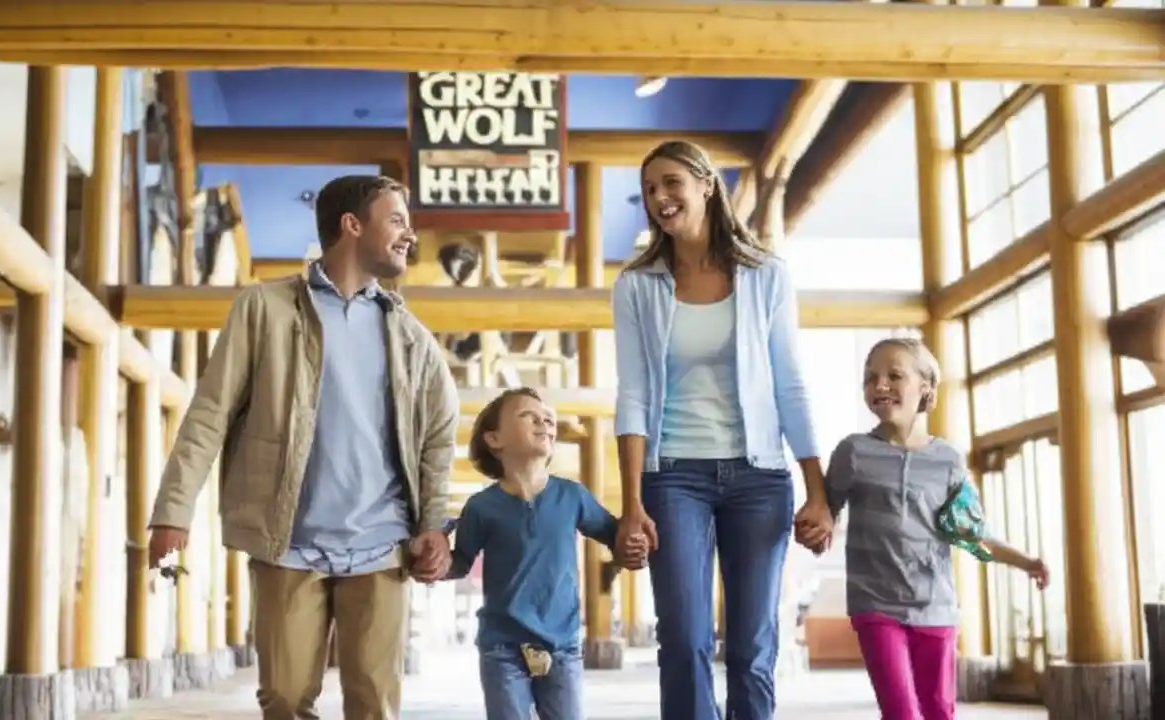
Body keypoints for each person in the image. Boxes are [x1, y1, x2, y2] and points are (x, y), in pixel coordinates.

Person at [146, 174, 460, 720]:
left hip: (381, 545)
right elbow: (209, 414)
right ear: (352, 225)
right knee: (286, 699)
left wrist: (432, 522)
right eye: (397, 220)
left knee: (374, 703)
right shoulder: (265, 308)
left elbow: (438, 436)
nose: (410, 234)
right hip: (287, 540)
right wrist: (174, 509)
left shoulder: (411, 336)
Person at [612, 140, 834, 720]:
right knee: (684, 640)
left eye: (670, 183)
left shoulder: (767, 276)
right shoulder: (638, 286)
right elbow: (632, 394)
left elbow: (791, 384)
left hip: (759, 477)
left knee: (753, 645)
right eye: (649, 191)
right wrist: (632, 501)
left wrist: (819, 491)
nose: (660, 198)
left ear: (706, 183)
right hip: (674, 476)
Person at [825, 337, 1049, 720]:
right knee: (902, 713)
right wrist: (813, 530)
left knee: (939, 712)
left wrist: (1026, 561)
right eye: (870, 378)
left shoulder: (948, 459)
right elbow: (824, 514)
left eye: (894, 375)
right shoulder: (853, 452)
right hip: (875, 605)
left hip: (937, 607)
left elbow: (971, 533)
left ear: (925, 388)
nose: (879, 384)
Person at [445, 387, 649, 720]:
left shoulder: (573, 496)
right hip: (502, 648)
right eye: (528, 416)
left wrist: (633, 547)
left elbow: (617, 537)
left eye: (548, 419)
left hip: (563, 645)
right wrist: (430, 559)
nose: (544, 422)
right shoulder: (481, 508)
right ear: (495, 439)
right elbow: (460, 562)